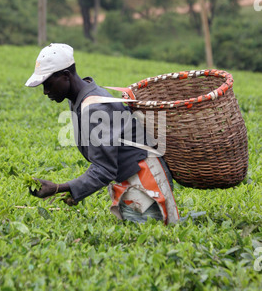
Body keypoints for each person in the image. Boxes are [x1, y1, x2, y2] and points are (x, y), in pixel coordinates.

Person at [25, 43, 180, 224]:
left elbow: (105, 168)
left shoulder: (93, 107)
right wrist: (75, 191)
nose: (45, 91)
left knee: (155, 237)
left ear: (66, 76)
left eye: (48, 84)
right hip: (130, 177)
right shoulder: (79, 99)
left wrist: (59, 188)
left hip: (145, 177)